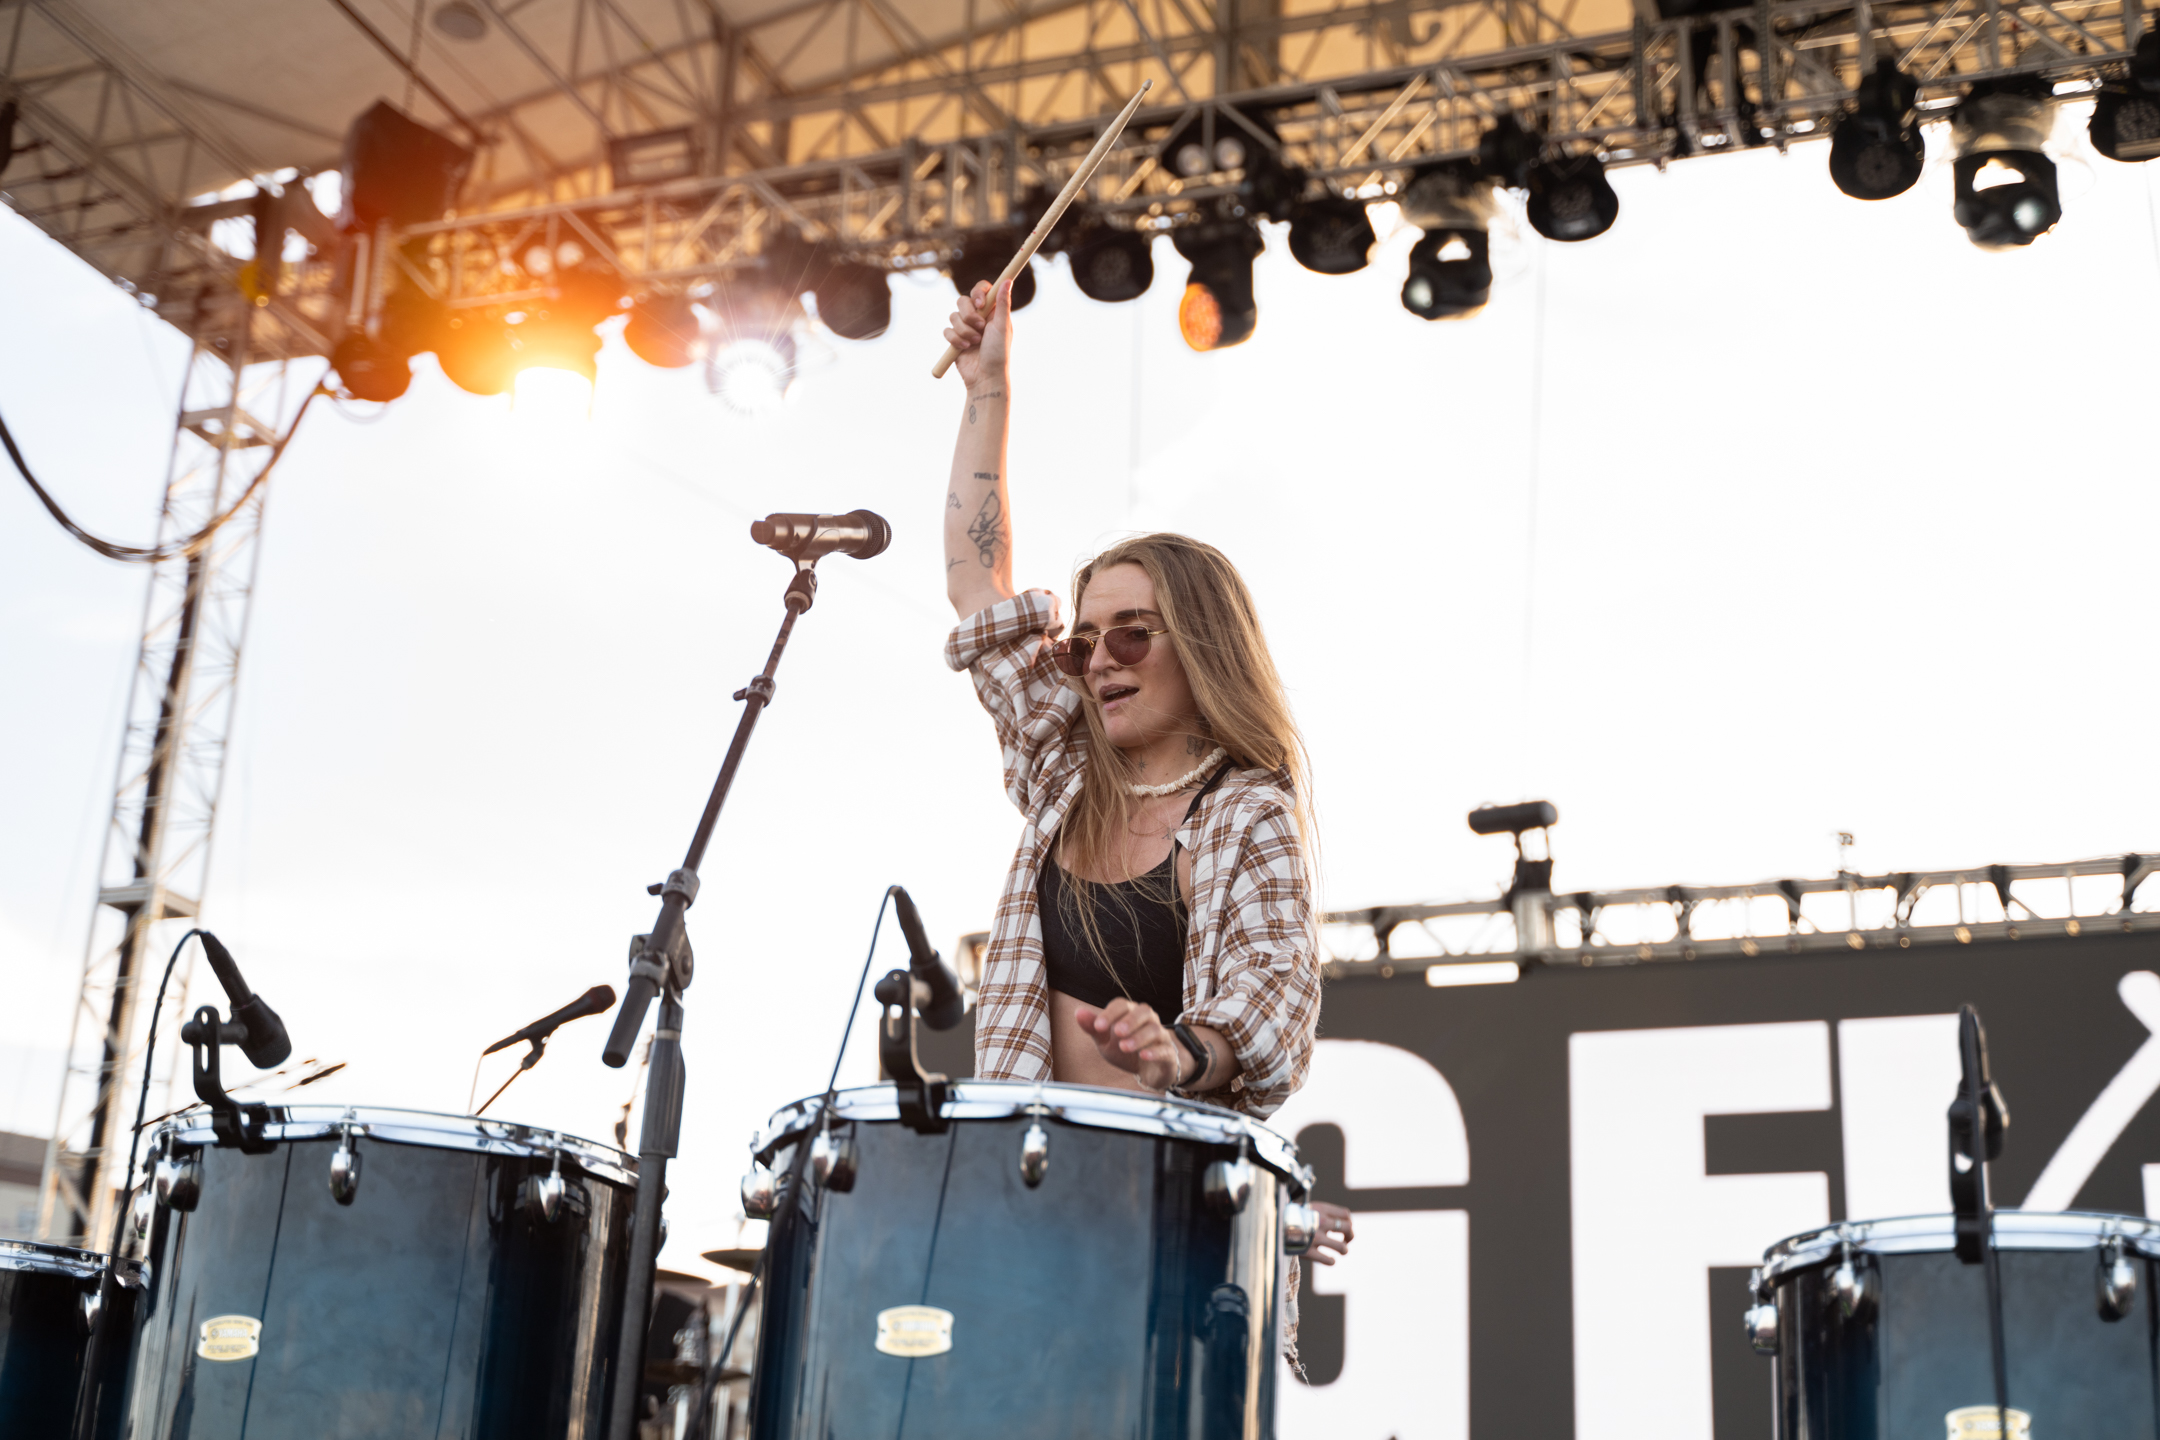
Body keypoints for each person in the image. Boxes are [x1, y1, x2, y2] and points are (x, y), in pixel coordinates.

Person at [938, 278, 1354, 1305]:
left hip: (1164, 1237)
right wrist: (987, 392)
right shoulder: (1061, 775)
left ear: (1200, 647)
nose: (1101, 657)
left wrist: (1182, 1051)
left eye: (1133, 632)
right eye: (1085, 640)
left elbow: (1272, 1003)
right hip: (1028, 1215)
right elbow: (976, 591)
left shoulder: (1243, 811)